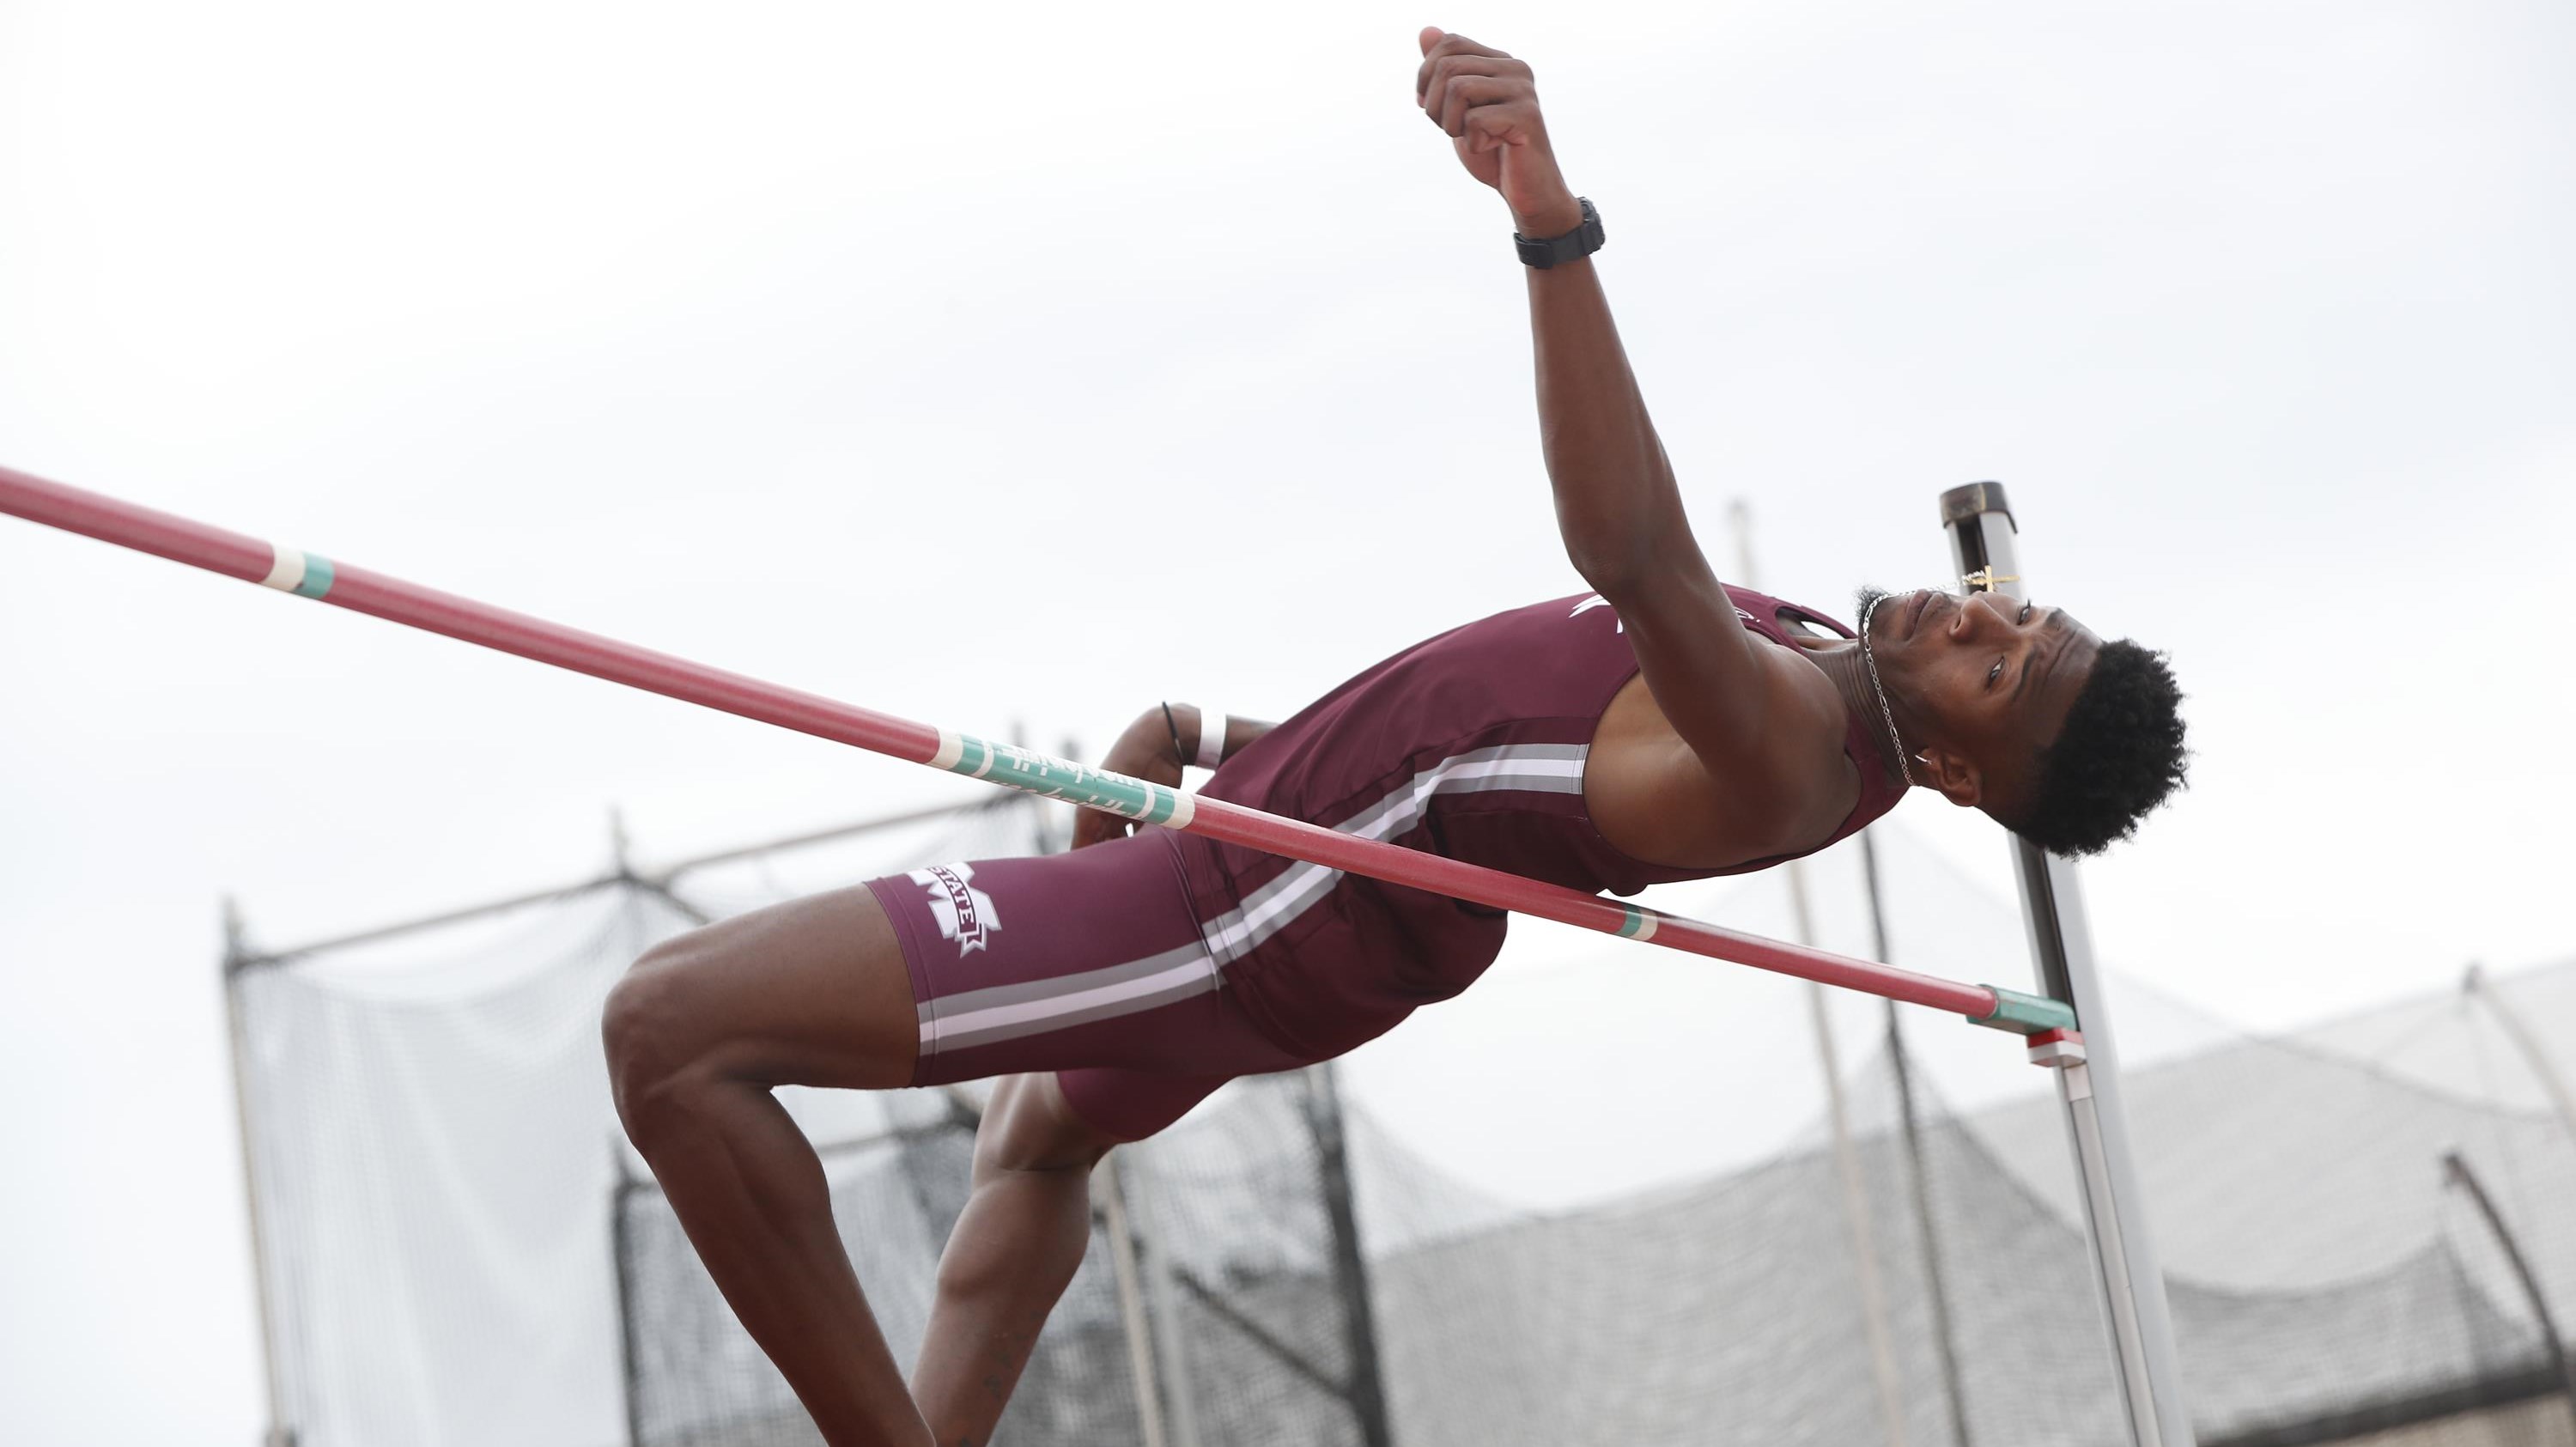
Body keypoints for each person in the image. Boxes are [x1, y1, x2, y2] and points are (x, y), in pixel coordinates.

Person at [600, 27, 2187, 1447]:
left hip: (1235, 921)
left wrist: (1549, 223)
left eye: (1993, 665)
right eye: (2007, 615)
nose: (1972, 621)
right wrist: (1231, 738)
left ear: (1964, 774)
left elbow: (1628, 550)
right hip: (1303, 886)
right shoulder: (1847, 671)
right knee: (1032, 1144)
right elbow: (1480, 772)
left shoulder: (1790, 744)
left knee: (670, 1031)